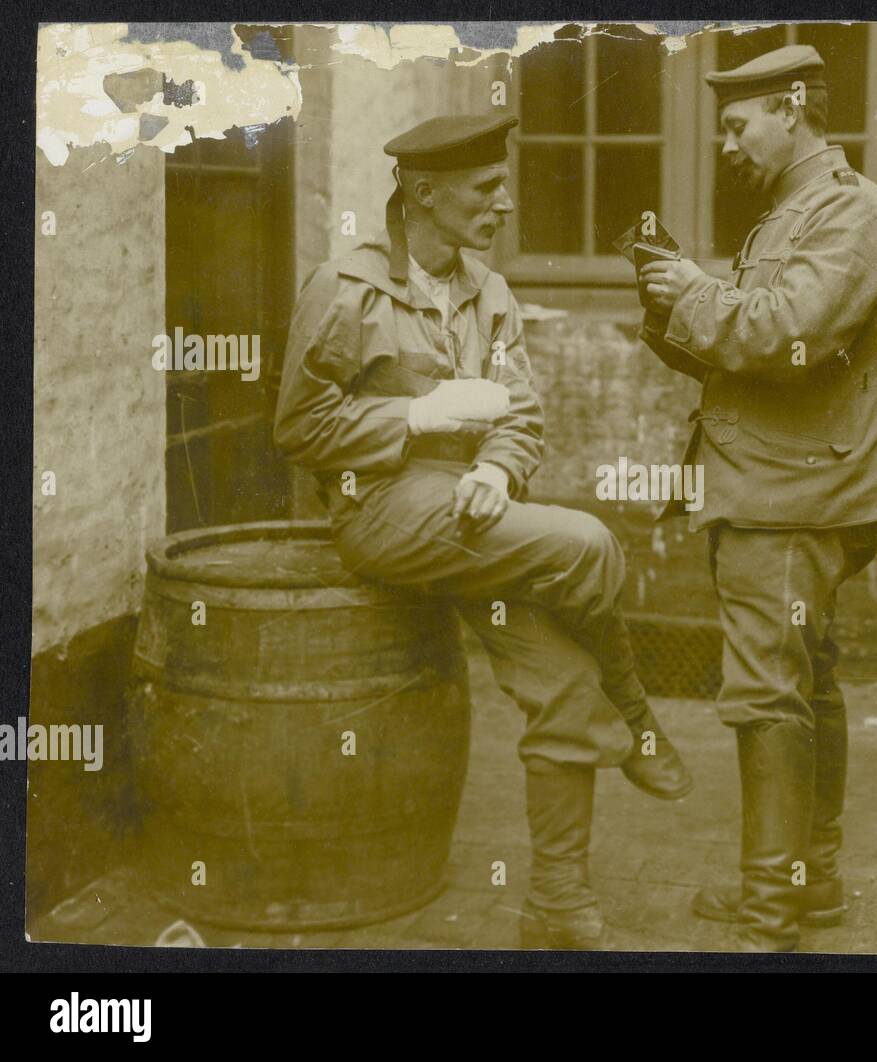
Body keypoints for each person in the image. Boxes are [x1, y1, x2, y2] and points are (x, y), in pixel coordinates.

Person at [274, 114, 692, 950]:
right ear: (424, 195)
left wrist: (499, 469)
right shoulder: (347, 288)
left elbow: (521, 411)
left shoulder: (486, 291)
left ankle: (557, 908)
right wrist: (418, 414)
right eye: (484, 190)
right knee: (588, 544)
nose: (502, 204)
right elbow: (298, 427)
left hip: (477, 514)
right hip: (385, 511)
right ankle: (640, 714)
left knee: (566, 685)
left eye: (501, 185)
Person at [638, 45, 877, 952]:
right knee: (807, 683)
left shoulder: (851, 211)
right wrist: (667, 299)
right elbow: (738, 349)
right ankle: (811, 883)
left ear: (793, 106)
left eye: (736, 123)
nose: (725, 143)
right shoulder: (792, 214)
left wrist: (697, 292)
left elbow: (789, 336)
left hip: (795, 496)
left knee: (765, 694)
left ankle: (769, 918)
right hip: (784, 481)